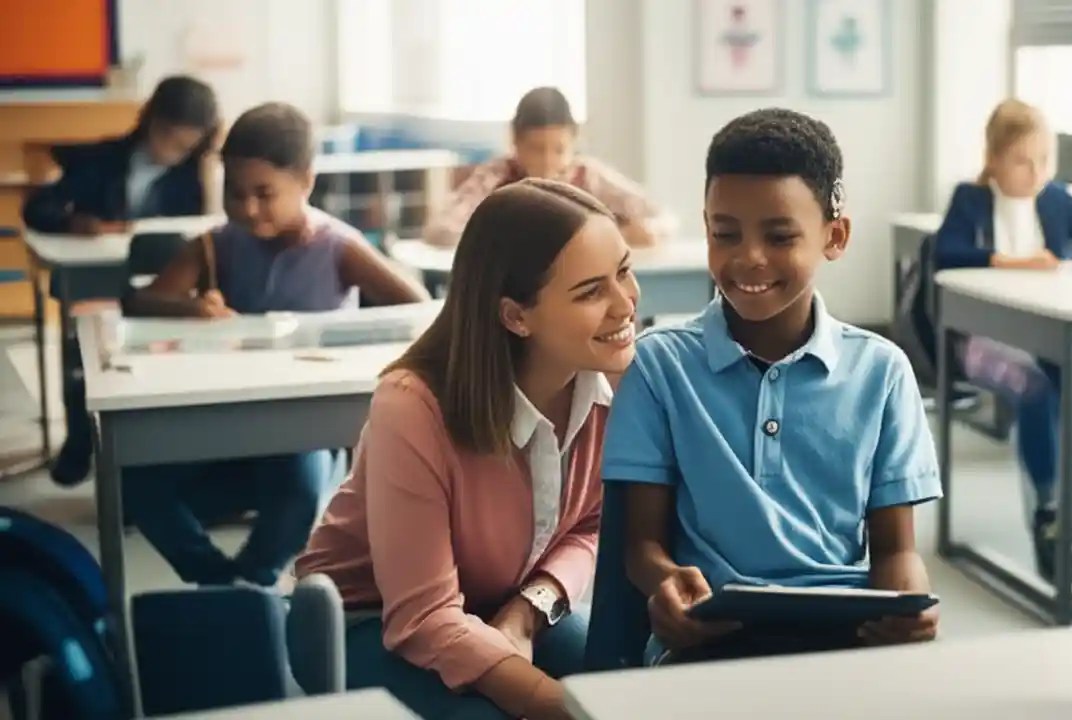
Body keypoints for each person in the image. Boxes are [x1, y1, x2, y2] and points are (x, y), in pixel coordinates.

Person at [601, 108, 942, 665]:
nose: (749, 258)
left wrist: (908, 605)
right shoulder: (659, 366)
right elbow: (641, 545)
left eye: (780, 235)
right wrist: (664, 583)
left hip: (846, 638)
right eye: (724, 233)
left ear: (836, 235)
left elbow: (896, 550)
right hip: (709, 636)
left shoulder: (883, 372)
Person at [296, 178, 639, 719]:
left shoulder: (617, 384)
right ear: (515, 316)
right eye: (592, 291)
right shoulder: (411, 407)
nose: (626, 304)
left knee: (623, 680)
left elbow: (591, 525)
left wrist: (527, 611)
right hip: (373, 618)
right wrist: (554, 704)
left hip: (504, 600)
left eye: (624, 271)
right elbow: (423, 615)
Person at [124, 102, 427, 588]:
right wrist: (191, 308)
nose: (247, 208)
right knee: (136, 483)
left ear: (305, 182)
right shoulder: (216, 244)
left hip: (301, 424)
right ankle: (220, 580)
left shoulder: (337, 248)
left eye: (265, 194)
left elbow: (417, 307)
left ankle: (256, 579)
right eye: (235, 193)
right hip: (224, 415)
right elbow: (141, 302)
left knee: (301, 486)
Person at [934, 98, 1072, 596]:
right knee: (1035, 391)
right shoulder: (970, 200)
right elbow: (946, 253)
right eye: (1022, 161)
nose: (1036, 173)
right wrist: (1010, 262)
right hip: (980, 343)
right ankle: (1050, 524)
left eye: (1044, 160)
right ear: (993, 159)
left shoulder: (1055, 200)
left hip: (1048, 335)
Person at [23, 75, 222, 487]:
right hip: (94, 282)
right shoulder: (105, 157)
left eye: (186, 145)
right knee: (83, 353)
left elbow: (207, 231)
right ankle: (81, 440)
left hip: (158, 292)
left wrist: (208, 171)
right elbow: (37, 208)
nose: (173, 152)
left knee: (162, 358)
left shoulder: (195, 173)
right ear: (150, 119)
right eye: (168, 137)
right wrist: (71, 221)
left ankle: (150, 459)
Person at [425, 86, 670, 249]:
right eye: (535, 149)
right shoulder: (495, 177)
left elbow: (662, 218)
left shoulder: (589, 177)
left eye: (559, 150)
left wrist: (640, 233)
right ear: (515, 141)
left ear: (575, 140)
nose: (547, 161)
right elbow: (440, 230)